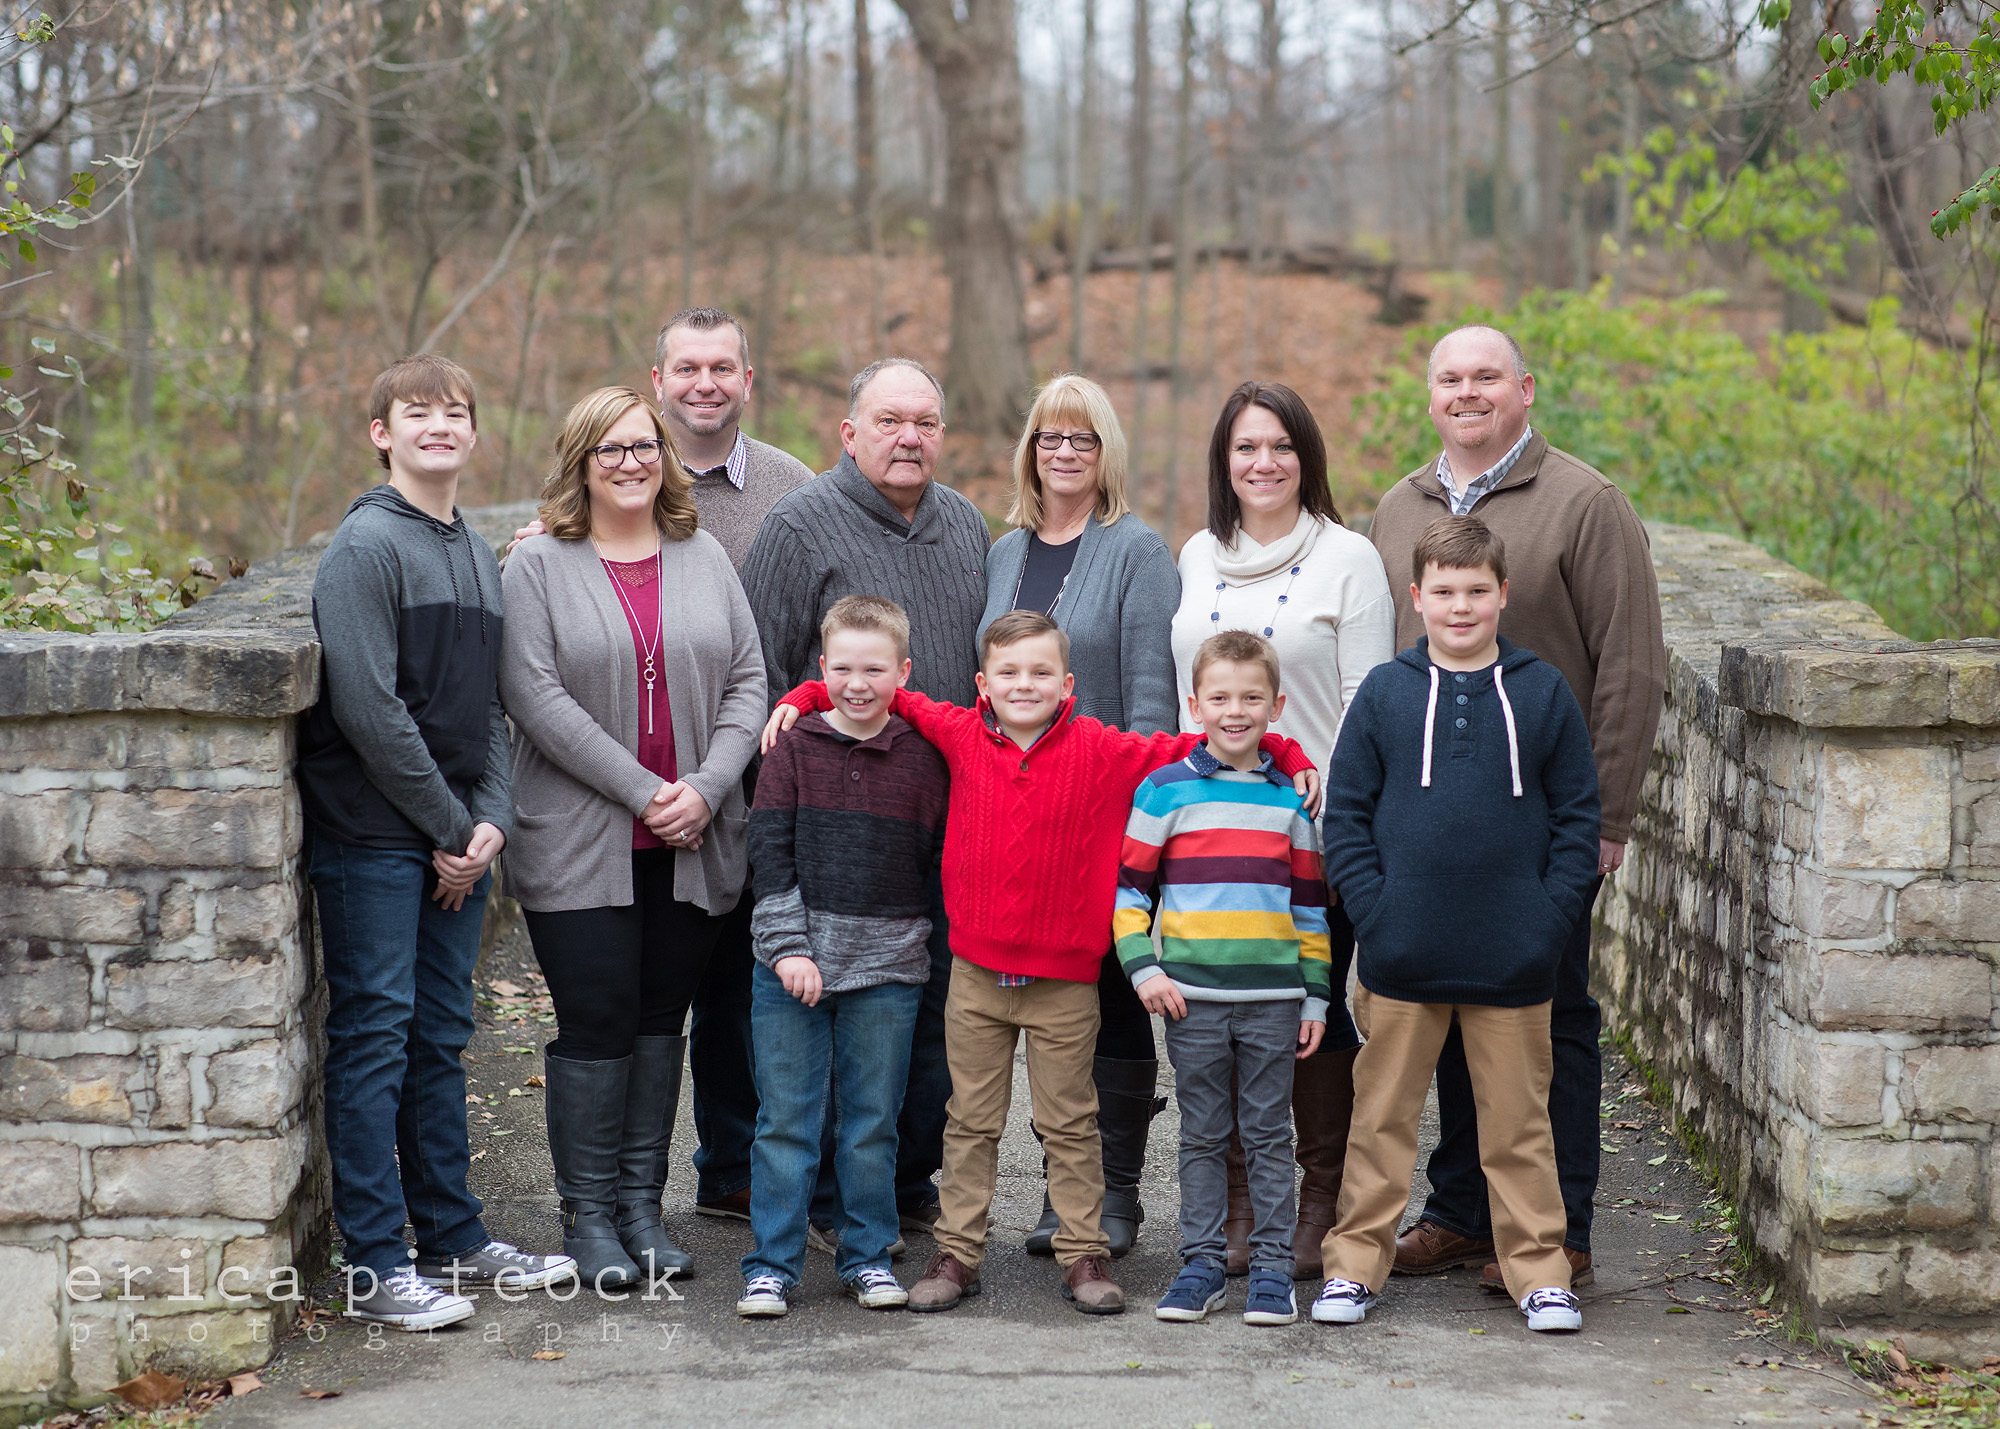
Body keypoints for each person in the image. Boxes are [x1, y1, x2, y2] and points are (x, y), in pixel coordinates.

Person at [762, 611, 1319, 1317]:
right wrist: (807, 694)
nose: (1024, 684)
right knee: (970, 1120)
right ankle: (957, 1252)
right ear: (983, 684)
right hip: (977, 974)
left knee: (1071, 1122)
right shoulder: (960, 732)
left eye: (1040, 672)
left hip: (1064, 980)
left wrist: (1284, 749)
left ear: (1067, 683)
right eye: (1009, 672)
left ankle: (1082, 1251)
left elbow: (1206, 737)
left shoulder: (1103, 748)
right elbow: (885, 692)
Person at [1366, 325, 1667, 1290]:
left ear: (1525, 389)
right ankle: (1463, 1213)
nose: (1468, 392)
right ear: (1429, 396)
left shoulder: (1585, 502)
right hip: (1426, 829)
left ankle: (1561, 1231)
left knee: (1555, 1015)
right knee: (1451, 1005)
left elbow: (1631, 664)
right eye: (1450, 378)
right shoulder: (1397, 507)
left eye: (1486, 376)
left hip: (1542, 829)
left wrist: (1607, 819)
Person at [509, 306, 813, 1226]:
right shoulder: (538, 564)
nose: (632, 461)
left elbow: (750, 679)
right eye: (611, 449)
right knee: (597, 1019)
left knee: (660, 1022)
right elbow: (535, 696)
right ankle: (590, 1216)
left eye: (644, 448)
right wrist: (647, 793)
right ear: (581, 462)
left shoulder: (702, 553)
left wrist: (708, 788)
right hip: (582, 841)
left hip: (693, 838)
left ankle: (642, 1211)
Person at [300, 354, 572, 1330]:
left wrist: (486, 822)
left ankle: (452, 1234)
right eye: (418, 412)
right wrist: (456, 829)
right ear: (382, 433)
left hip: (455, 838)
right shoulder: (365, 547)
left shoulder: (472, 552)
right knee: (375, 1036)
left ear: (475, 432)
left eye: (456, 412)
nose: (440, 426)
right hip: (373, 836)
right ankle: (377, 1263)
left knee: (438, 1037)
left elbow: (488, 708)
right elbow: (368, 708)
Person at [1313, 515, 1598, 1335]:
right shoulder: (1386, 693)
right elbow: (1348, 817)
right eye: (1445, 590)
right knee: (1380, 1123)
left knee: (1518, 1128)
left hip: (1514, 961)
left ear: (1503, 593)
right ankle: (1353, 1267)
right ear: (1417, 596)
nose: (1461, 606)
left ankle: (1539, 1272)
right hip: (1402, 957)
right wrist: (1377, 915)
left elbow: (1578, 821)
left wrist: (1546, 922)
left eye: (1477, 590)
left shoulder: (1543, 692)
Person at [741, 357, 991, 1239]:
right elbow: (762, 671)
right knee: (823, 1015)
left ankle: (901, 1183)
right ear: (849, 434)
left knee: (924, 1012)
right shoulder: (799, 525)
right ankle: (817, 1199)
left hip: (945, 823)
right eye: (889, 421)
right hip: (832, 823)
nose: (908, 437)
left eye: (925, 422)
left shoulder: (965, 523)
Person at [1169, 380, 1395, 1277]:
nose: (1263, 463)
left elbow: (1365, 705)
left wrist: (1337, 825)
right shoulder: (1197, 554)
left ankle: (1317, 1201)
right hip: (1207, 839)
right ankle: (1237, 1204)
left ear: (1308, 457)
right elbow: (1185, 700)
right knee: (1218, 1013)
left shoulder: (1350, 559)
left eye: (1281, 446)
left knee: (1312, 1015)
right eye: (1245, 447)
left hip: (1309, 835)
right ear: (1223, 461)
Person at [979, 373, 1181, 1260]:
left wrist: (1141, 828)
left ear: (1107, 452)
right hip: (1016, 816)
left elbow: (1152, 701)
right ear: (1030, 450)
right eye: (1049, 437)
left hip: (1103, 817)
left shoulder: (1137, 551)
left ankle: (1114, 1191)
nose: (1064, 452)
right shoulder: (1004, 552)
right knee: (1046, 999)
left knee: (1110, 990)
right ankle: (1064, 1189)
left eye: (1083, 438)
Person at [734, 597, 950, 1318]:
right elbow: (769, 854)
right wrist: (789, 950)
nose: (859, 684)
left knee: (871, 1124)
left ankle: (867, 1256)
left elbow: (936, 862)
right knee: (787, 1124)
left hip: (887, 972)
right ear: (822, 669)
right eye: (845, 669)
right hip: (791, 970)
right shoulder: (793, 748)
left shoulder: (924, 757)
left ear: (903, 673)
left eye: (876, 669)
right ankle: (771, 1265)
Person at [1114, 630, 1331, 1329]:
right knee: (1203, 1135)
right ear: (1194, 704)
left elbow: (1310, 910)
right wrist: (1144, 969)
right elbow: (1129, 895)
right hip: (1193, 1002)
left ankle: (1272, 1270)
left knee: (1269, 1135)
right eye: (1220, 698)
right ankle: (1201, 1264)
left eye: (1251, 698)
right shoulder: (1163, 790)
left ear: (1276, 706)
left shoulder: (1290, 801)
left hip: (1274, 1002)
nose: (1235, 711)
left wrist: (1317, 996)